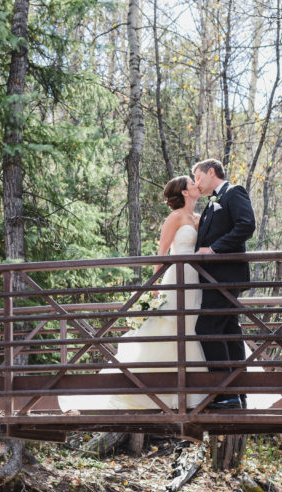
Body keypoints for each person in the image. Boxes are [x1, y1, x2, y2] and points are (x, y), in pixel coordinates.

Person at [58, 176, 209, 412]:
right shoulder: (175, 218)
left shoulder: (200, 218)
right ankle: (160, 391)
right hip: (177, 279)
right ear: (185, 192)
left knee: (192, 327)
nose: (196, 184)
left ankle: (193, 391)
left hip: (197, 280)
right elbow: (160, 256)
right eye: (191, 183)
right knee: (173, 327)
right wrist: (154, 289)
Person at [192, 158, 256, 410]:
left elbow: (246, 225)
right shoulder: (211, 204)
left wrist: (214, 249)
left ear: (211, 172)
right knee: (229, 331)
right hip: (213, 278)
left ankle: (224, 394)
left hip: (226, 276)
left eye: (197, 177)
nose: (197, 183)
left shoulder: (233, 192)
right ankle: (237, 394)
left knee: (206, 328)